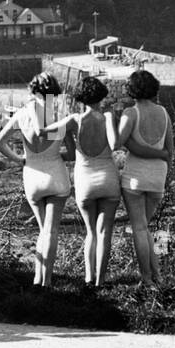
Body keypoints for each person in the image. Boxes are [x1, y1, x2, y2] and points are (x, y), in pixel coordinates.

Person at [0, 72, 72, 288]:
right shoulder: (58, 117)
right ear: (53, 93)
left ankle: (37, 279)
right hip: (55, 175)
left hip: (32, 176)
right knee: (51, 231)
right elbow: (71, 153)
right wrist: (57, 155)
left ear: (33, 89)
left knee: (42, 231)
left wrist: (19, 159)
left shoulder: (22, 113)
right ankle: (46, 282)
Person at [44, 76, 122, 287]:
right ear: (101, 95)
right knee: (104, 232)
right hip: (108, 178)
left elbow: (46, 132)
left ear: (79, 97)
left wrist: (67, 137)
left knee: (90, 233)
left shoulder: (73, 120)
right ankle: (101, 281)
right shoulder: (107, 116)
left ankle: (88, 278)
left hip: (85, 181)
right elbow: (115, 145)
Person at [110, 69, 173, 286]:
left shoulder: (131, 113)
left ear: (132, 90)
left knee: (139, 228)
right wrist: (163, 171)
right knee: (146, 227)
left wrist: (113, 121)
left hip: (135, 177)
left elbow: (117, 142)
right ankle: (158, 275)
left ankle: (146, 278)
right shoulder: (164, 113)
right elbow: (169, 151)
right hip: (158, 176)